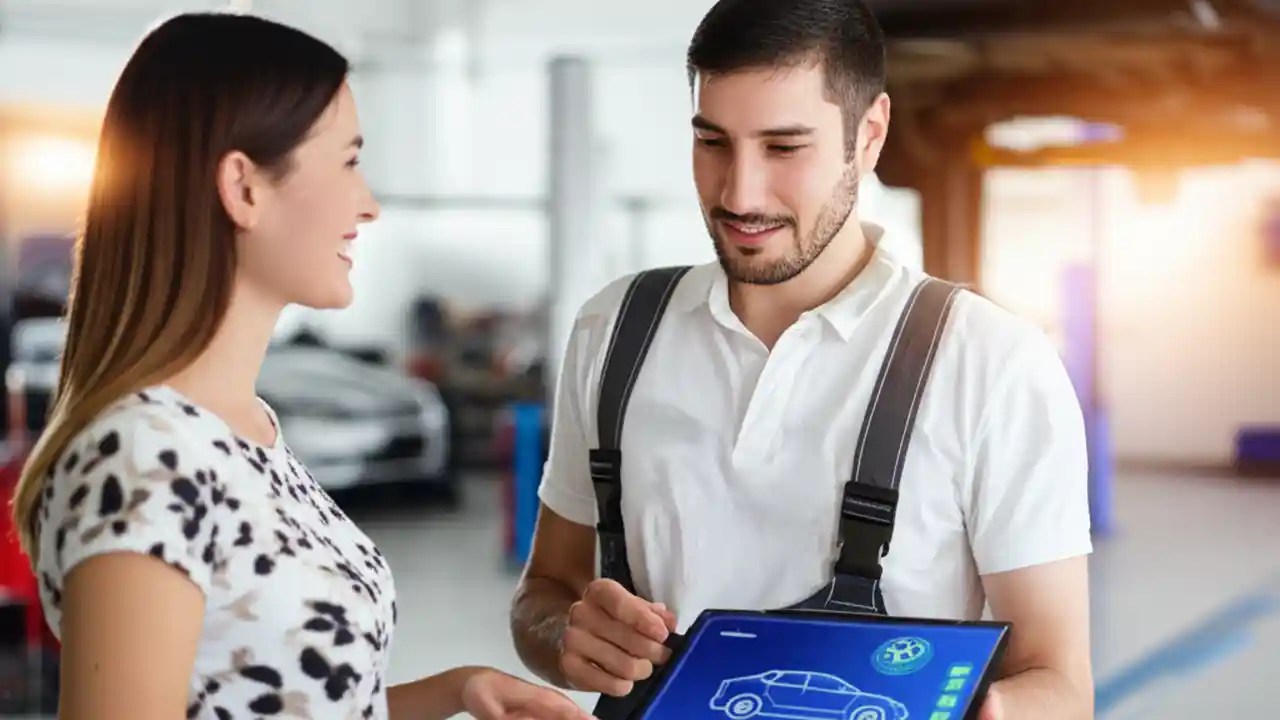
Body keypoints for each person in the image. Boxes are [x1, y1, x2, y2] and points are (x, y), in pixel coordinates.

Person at [509, 1, 1094, 718]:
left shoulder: (991, 363)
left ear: (869, 134)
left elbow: (1060, 682)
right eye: (713, 142)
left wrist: (997, 712)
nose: (740, 193)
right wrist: (564, 633)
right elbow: (543, 592)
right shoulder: (613, 331)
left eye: (784, 148)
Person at [8, 12, 588, 720]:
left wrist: (451, 692)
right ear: (244, 188)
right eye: (348, 161)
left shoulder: (243, 429)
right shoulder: (144, 456)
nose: (367, 204)